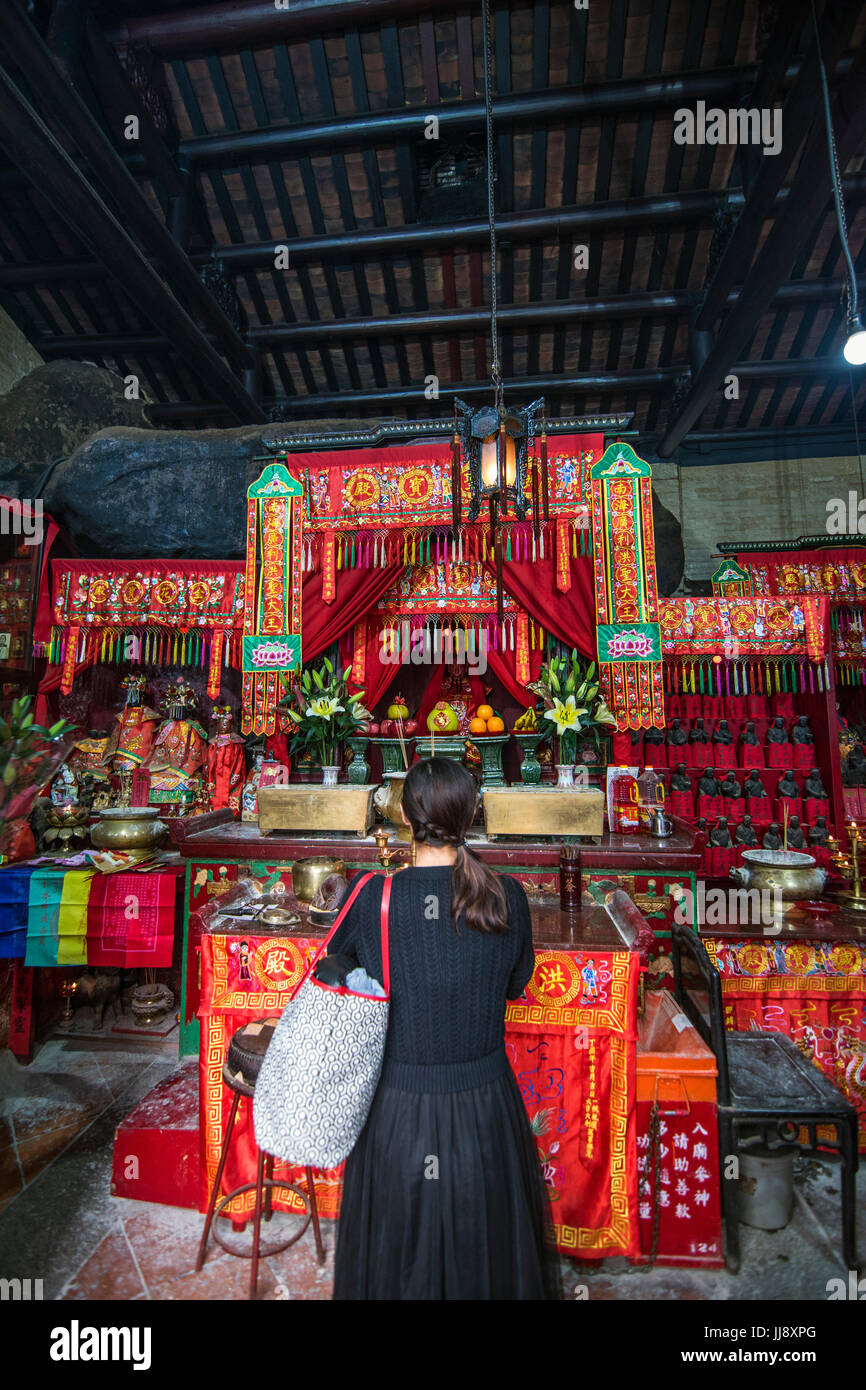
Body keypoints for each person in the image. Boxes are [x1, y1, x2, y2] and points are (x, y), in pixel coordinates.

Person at [328, 756, 560, 1300]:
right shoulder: (508, 896)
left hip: (395, 1111)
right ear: (472, 815)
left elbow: (334, 971)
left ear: (405, 819)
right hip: (485, 1112)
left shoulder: (372, 897)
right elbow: (515, 983)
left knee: (397, 1261)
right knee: (486, 1260)